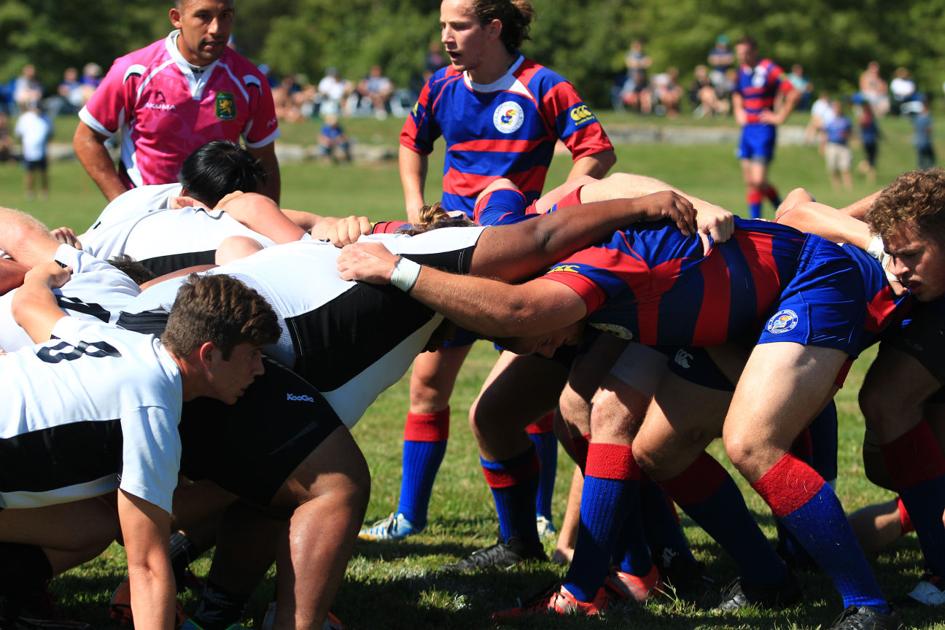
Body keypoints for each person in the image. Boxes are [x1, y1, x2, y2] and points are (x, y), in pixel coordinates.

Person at [338, 181, 905, 628]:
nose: (542, 348)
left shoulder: (590, 260)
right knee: (653, 449)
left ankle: (867, 607)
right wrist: (342, 232)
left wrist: (397, 270)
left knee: (751, 441)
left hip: (810, 281)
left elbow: (517, 312)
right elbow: (516, 317)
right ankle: (766, 579)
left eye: (534, 341)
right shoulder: (562, 281)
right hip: (723, 322)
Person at [370, 0, 616, 545]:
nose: (446, 37)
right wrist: (415, 202)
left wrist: (546, 210)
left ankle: (537, 516)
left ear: (493, 28)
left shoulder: (543, 85)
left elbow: (596, 150)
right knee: (427, 384)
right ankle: (410, 515)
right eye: (443, 27)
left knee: (525, 394)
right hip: (452, 252)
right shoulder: (441, 86)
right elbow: (413, 140)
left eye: (457, 26)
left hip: (517, 258)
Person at [0, 263, 279, 627]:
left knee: (93, 524)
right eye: (252, 354)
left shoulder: (117, 339)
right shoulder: (151, 406)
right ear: (208, 355)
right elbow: (146, 565)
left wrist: (43, 275)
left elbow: (29, 305)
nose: (260, 369)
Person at [73, 0, 281, 203]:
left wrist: (267, 222)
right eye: (203, 16)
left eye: (225, 16)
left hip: (217, 222)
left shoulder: (250, 81)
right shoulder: (134, 71)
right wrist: (122, 205)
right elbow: (87, 138)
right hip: (146, 220)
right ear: (176, 18)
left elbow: (264, 160)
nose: (217, 29)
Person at [732, 36, 798, 219]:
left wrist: (780, 117)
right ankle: (756, 220)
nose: (742, 57)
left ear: (754, 52)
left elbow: (793, 92)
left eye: (745, 53)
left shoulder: (769, 68)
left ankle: (783, 209)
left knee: (758, 180)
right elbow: (737, 93)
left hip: (763, 130)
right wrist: (738, 110)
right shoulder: (741, 71)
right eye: (739, 54)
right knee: (750, 182)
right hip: (747, 130)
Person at [14, 100, 53, 199]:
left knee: (43, 172)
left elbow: (50, 134)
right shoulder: (25, 118)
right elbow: (19, 133)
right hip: (29, 150)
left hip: (42, 150)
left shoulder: (46, 119)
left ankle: (44, 192)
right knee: (29, 172)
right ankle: (30, 192)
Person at [824, 99, 853, 191]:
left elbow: (850, 132)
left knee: (845, 167)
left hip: (843, 145)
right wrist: (823, 144)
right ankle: (836, 188)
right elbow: (825, 133)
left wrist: (848, 137)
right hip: (832, 145)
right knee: (833, 168)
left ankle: (849, 188)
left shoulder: (846, 120)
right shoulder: (829, 120)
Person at [857, 100, 880, 184]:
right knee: (871, 159)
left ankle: (871, 177)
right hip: (868, 140)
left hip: (870, 140)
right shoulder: (866, 117)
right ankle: (863, 169)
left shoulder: (869, 116)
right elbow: (862, 126)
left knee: (871, 159)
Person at [913, 98, 936, 169]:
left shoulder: (918, 117)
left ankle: (921, 169)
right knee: (930, 158)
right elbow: (929, 129)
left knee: (921, 158)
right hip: (926, 141)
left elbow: (915, 128)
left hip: (918, 141)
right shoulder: (927, 116)